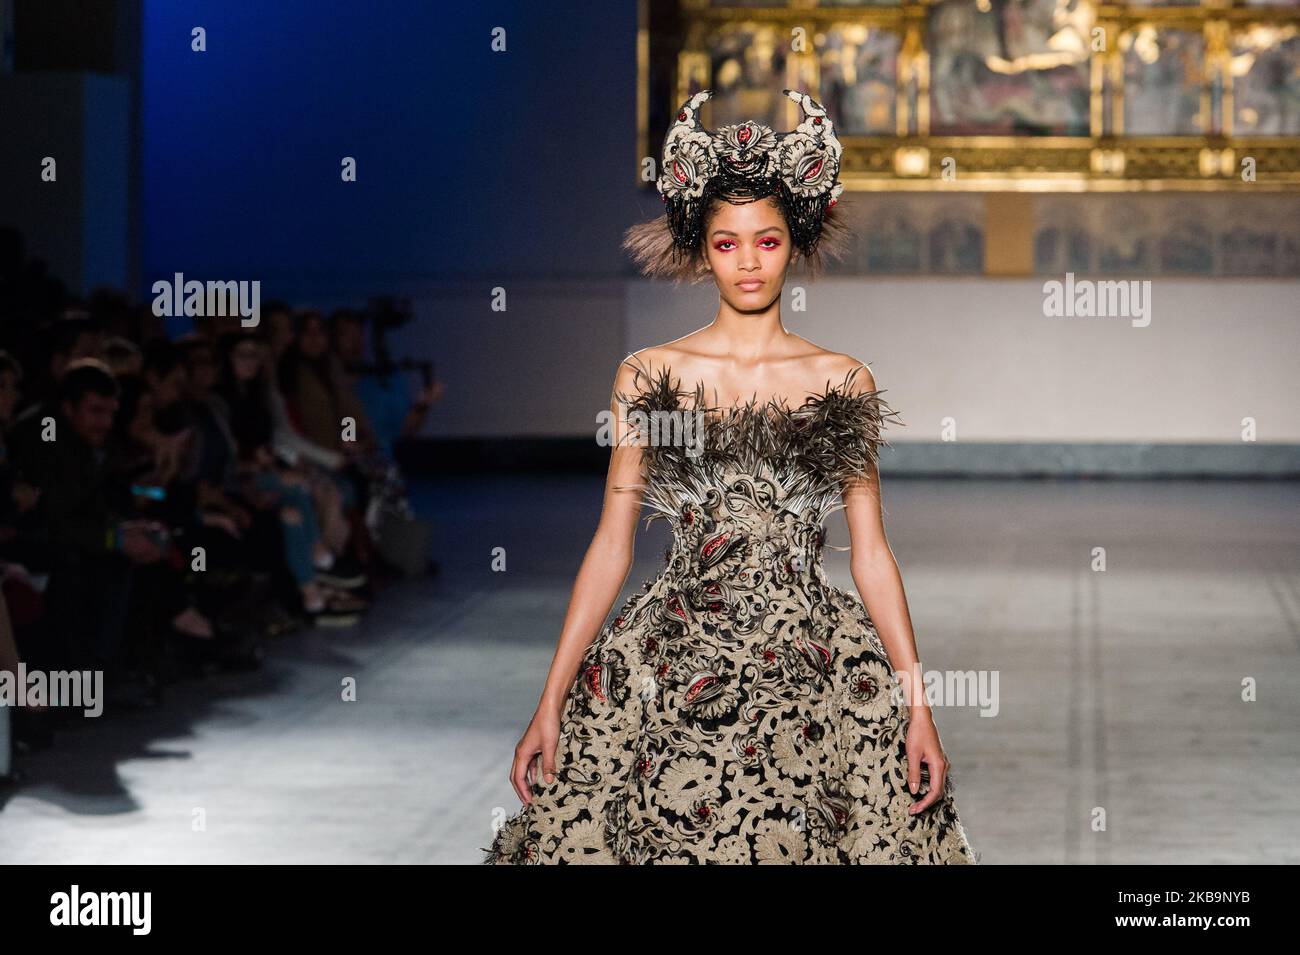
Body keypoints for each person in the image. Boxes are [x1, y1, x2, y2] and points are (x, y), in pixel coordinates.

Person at [483, 90, 977, 865]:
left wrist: (919, 705)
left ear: (796, 240)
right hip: (672, 666)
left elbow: (872, 553)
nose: (748, 262)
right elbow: (612, 545)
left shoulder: (841, 380)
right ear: (700, 247)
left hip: (812, 671)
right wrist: (550, 699)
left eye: (768, 240)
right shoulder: (649, 375)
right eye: (727, 243)